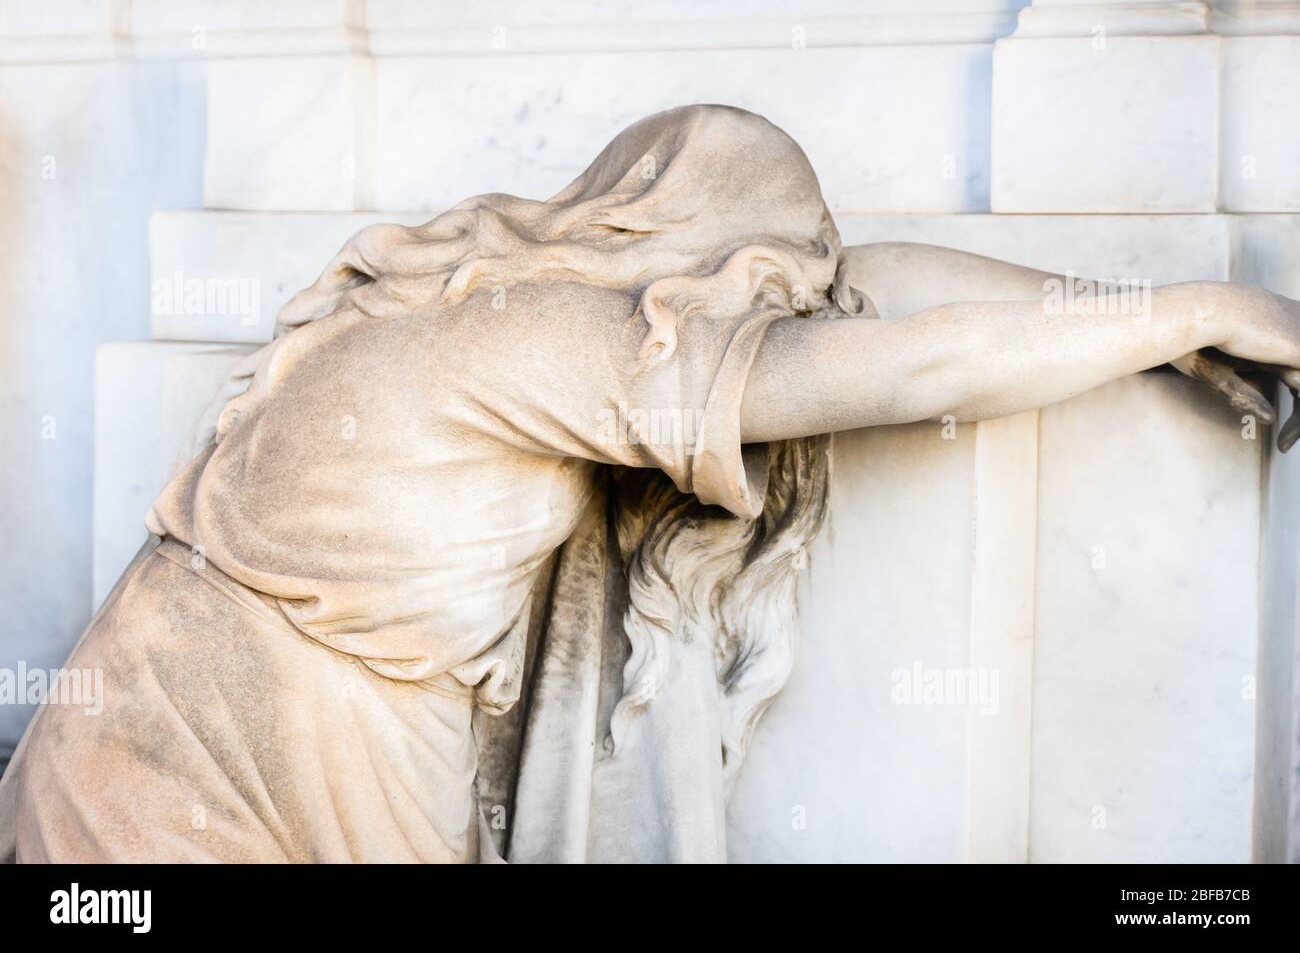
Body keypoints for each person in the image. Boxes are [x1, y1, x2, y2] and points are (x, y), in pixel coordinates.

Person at [2, 105, 1296, 863]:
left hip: (161, 732)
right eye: (776, 284)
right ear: (710, 259)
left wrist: (1160, 323)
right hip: (211, 776)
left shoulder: (484, 311)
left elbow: (879, 298)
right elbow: (902, 365)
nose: (785, 320)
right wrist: (1195, 301)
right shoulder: (559, 345)